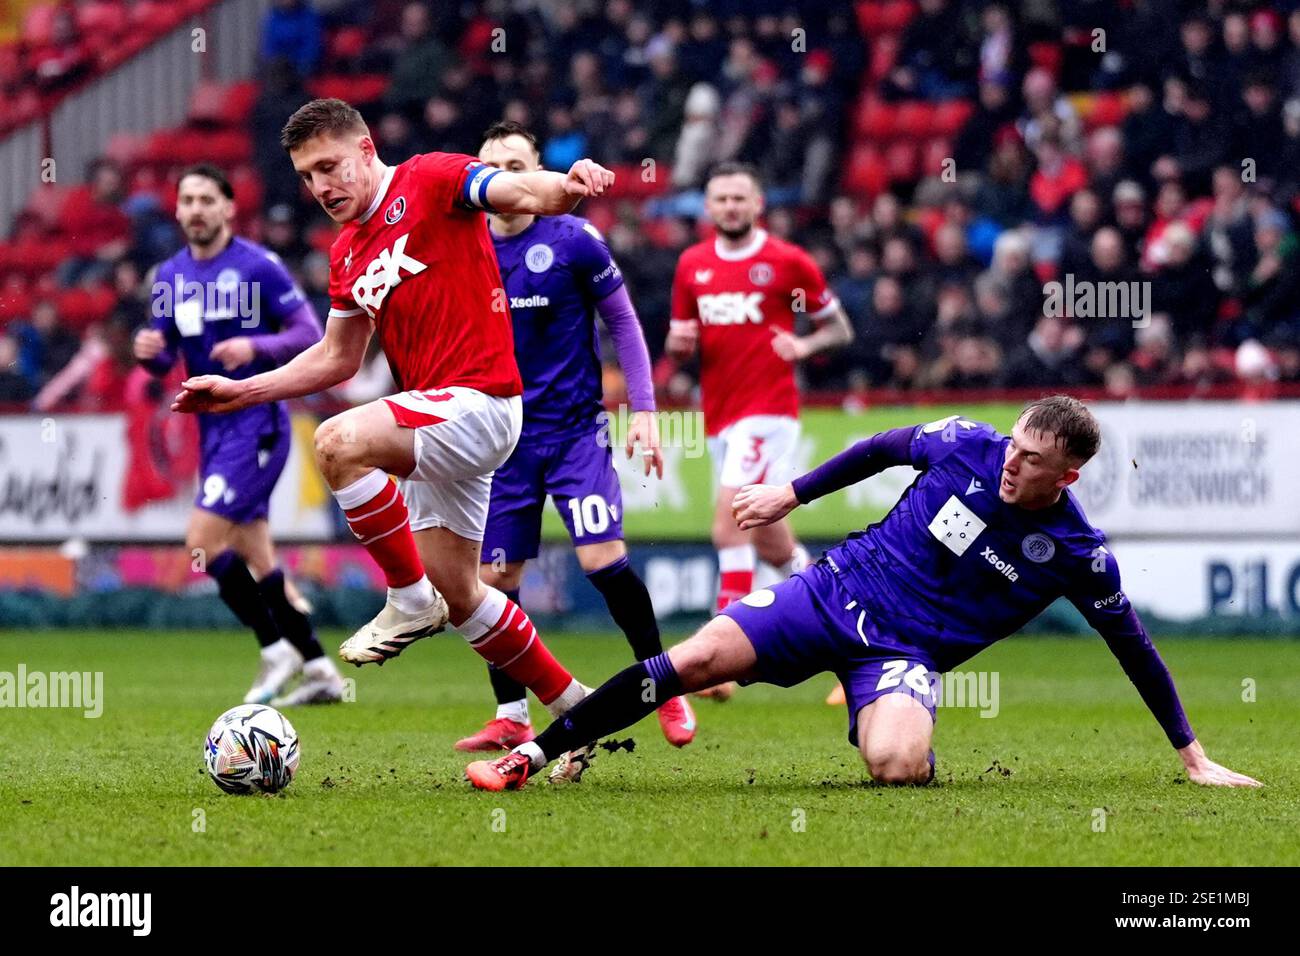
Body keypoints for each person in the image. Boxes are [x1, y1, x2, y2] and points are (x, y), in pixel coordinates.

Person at [465, 396, 1261, 792]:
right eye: (1014, 448)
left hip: (903, 653)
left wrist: (1191, 755)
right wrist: (791, 495)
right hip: (833, 589)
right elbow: (881, 448)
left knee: (896, 765)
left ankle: (891, 714)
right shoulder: (965, 445)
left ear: (1069, 477)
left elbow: (1134, 648)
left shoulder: (1079, 555)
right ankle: (539, 753)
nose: (1011, 465)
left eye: (1030, 462)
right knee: (698, 656)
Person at [171, 99, 620, 768]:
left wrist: (567, 185)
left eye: (328, 166)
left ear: (364, 148)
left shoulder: (432, 178)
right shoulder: (348, 250)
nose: (320, 186)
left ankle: (407, 600)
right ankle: (577, 713)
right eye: (305, 175)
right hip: (441, 419)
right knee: (467, 597)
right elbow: (336, 358)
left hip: (482, 400)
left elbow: (518, 188)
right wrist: (242, 389)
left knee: (337, 444)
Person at [454, 121, 696, 753]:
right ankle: (511, 714)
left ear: (537, 171)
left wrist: (643, 409)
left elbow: (622, 321)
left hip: (573, 432)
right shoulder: (464, 244)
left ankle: (664, 687)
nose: (504, 174)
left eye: (516, 162)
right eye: (492, 165)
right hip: (500, 438)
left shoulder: (574, 239)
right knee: (495, 582)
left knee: (601, 561)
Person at [134, 163, 343, 706]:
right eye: (187, 200)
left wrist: (254, 349)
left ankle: (275, 648)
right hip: (212, 431)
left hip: (257, 422)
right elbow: (166, 353)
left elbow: (310, 333)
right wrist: (151, 355)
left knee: (201, 544)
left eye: (207, 199)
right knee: (260, 560)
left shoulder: (259, 267)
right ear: (177, 210)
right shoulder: (169, 277)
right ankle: (320, 668)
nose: (196, 209)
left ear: (228, 208)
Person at [664, 161, 854, 699]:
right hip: (720, 414)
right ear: (707, 206)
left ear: (758, 205)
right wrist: (680, 348)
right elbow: (682, 336)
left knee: (728, 529)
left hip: (768, 412)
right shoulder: (692, 265)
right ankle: (853, 645)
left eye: (739, 198)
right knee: (776, 547)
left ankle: (719, 662)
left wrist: (806, 346)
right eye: (720, 198)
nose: (730, 207)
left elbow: (839, 328)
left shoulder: (787, 261)